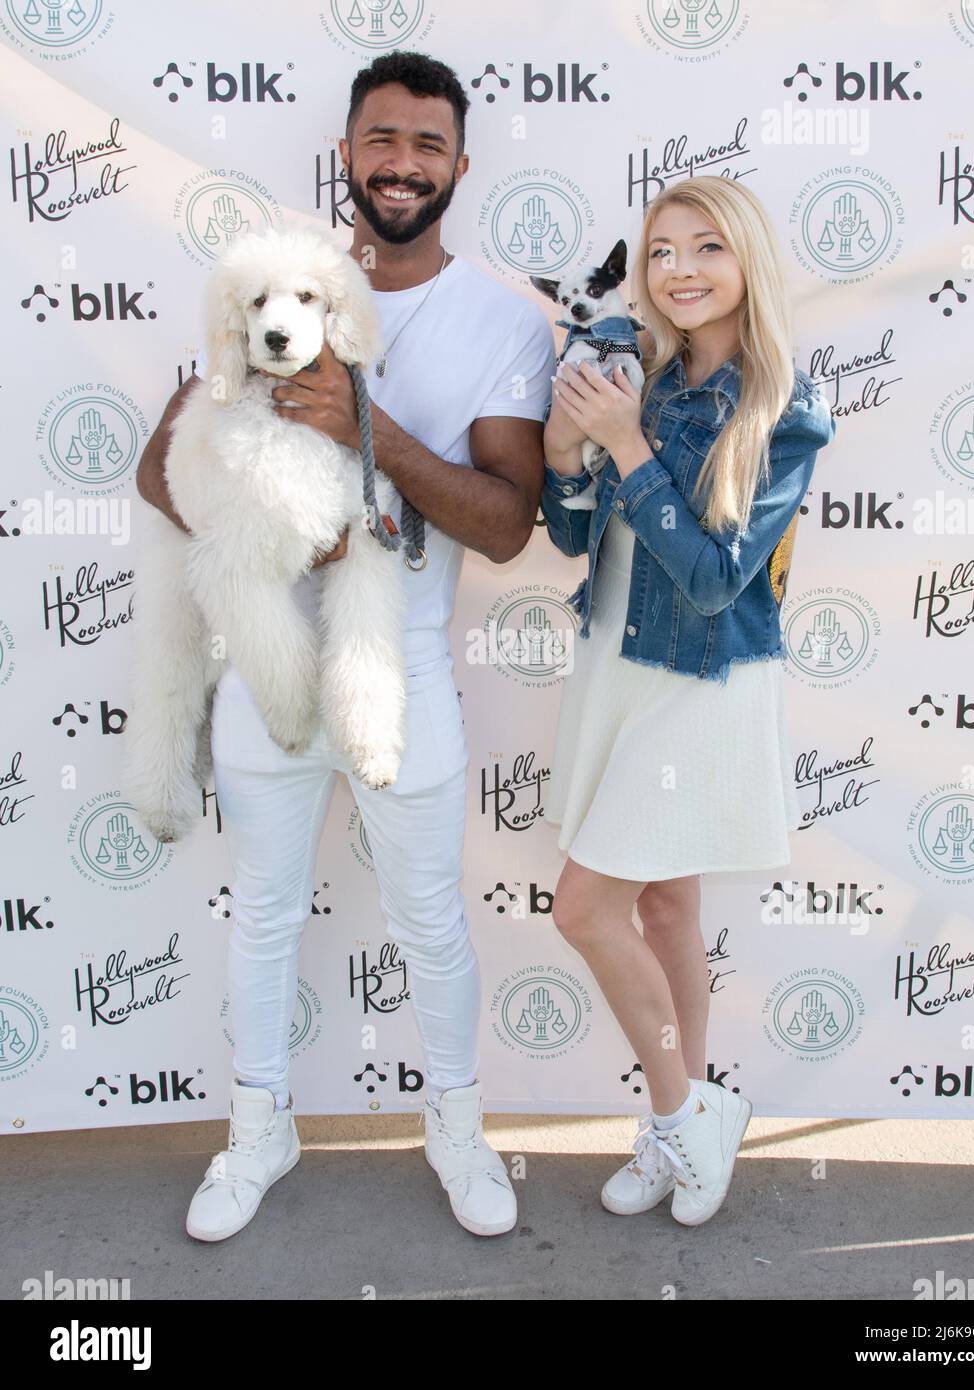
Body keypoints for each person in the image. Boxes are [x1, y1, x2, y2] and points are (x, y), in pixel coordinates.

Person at [135, 50, 555, 1241]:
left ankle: (458, 1126)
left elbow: (507, 521)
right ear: (346, 154)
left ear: (458, 166)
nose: (402, 164)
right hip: (261, 667)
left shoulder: (496, 322)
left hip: (400, 667)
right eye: (382, 140)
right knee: (263, 911)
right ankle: (256, 1128)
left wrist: (364, 431)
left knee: (430, 916)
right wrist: (255, 504)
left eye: (427, 145)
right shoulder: (274, 284)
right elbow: (157, 474)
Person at [539, 175, 837, 1227]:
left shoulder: (783, 409)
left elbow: (715, 578)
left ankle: (677, 1114)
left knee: (583, 907)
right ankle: (690, 1117)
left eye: (704, 247)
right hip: (616, 668)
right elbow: (576, 538)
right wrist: (564, 453)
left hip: (700, 683)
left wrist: (620, 444)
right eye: (659, 250)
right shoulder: (638, 373)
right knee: (661, 905)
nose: (677, 270)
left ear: (747, 259)